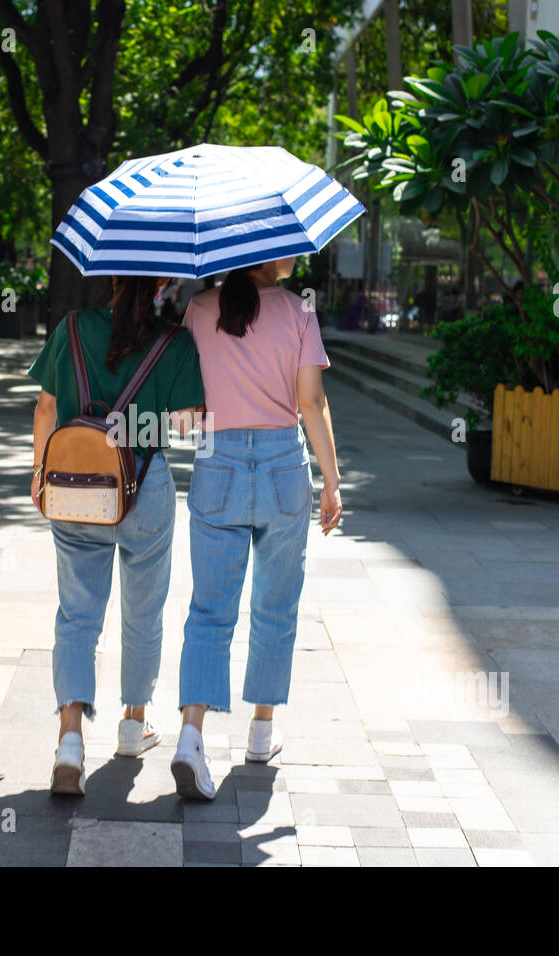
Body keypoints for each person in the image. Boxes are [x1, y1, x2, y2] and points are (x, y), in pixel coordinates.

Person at [170, 257, 342, 800]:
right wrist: (333, 480)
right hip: (282, 470)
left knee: (209, 608)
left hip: (217, 462)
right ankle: (261, 732)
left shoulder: (198, 309)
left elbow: (182, 407)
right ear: (271, 254)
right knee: (276, 603)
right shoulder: (298, 312)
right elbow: (311, 402)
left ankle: (191, 736)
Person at [28, 277, 205, 795]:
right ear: (165, 283)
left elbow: (44, 408)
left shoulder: (72, 329)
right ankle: (133, 723)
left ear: (109, 276)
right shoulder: (174, 342)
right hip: (142, 487)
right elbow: (185, 426)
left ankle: (69, 739)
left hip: (74, 485)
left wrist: (40, 473)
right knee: (144, 613)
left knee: (77, 615)